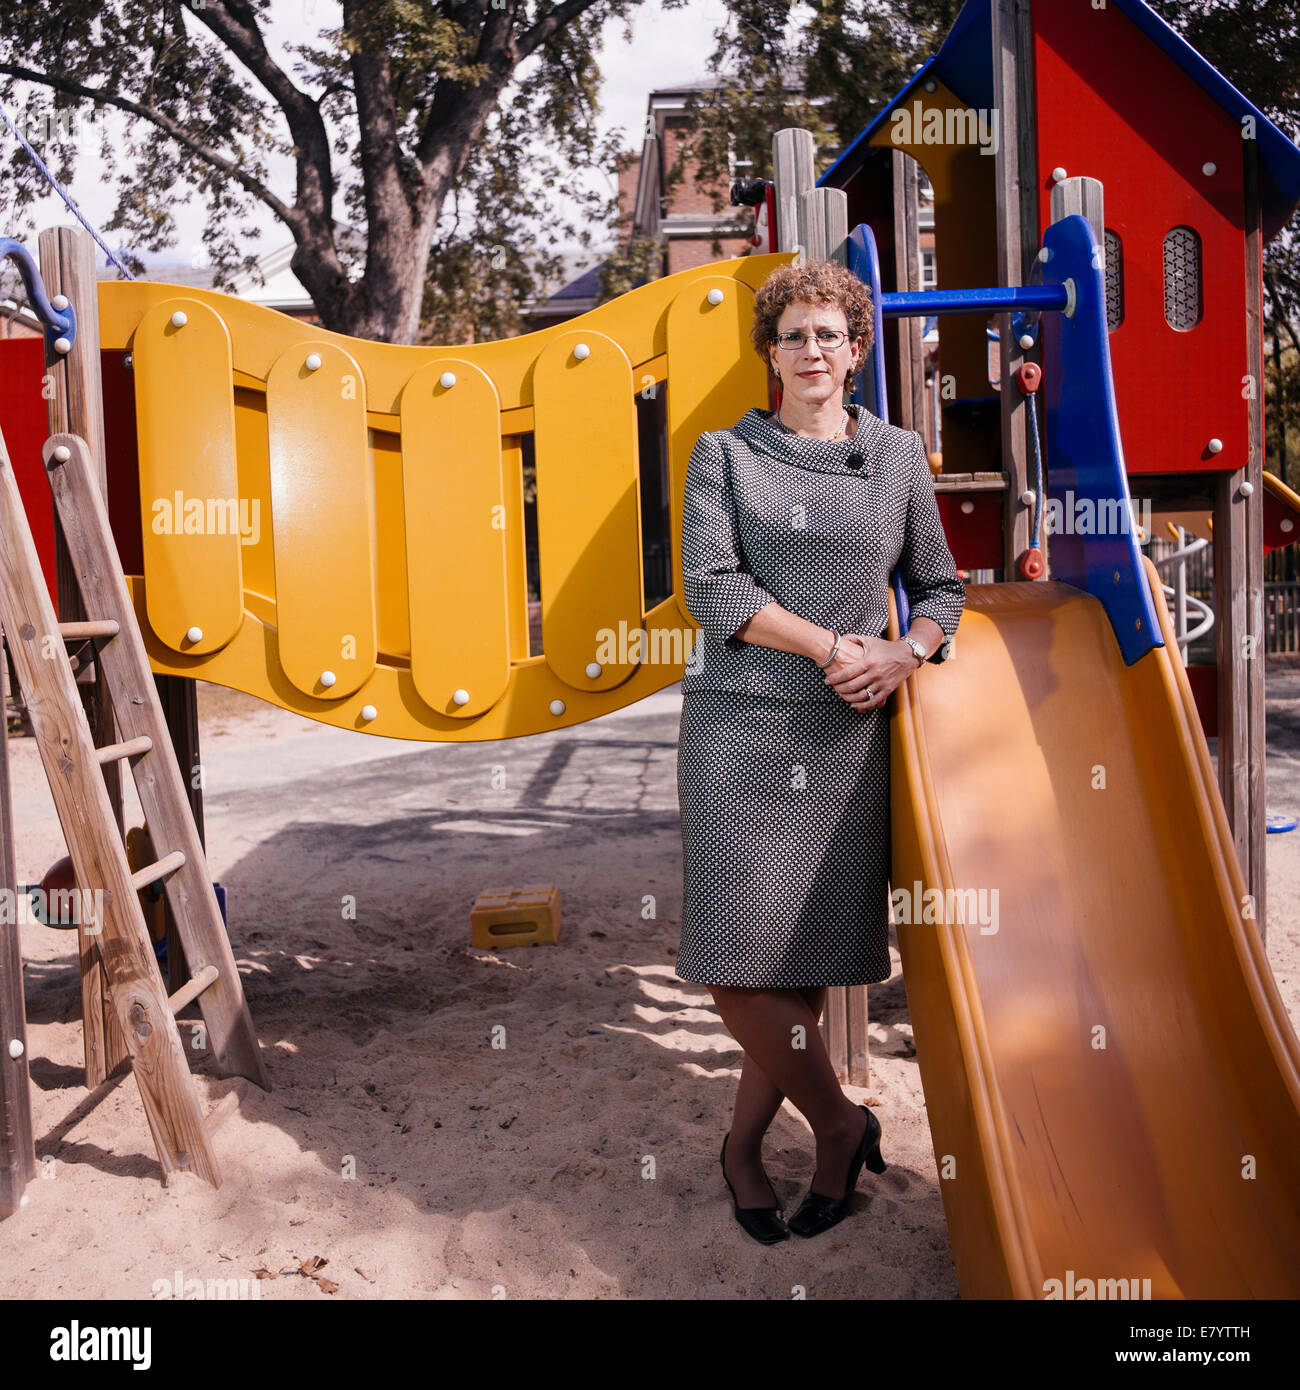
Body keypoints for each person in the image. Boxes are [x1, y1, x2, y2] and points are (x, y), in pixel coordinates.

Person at [675, 257, 964, 1241]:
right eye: (792, 334)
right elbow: (711, 589)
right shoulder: (721, 454)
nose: (811, 350)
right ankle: (839, 1123)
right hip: (741, 723)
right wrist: (836, 644)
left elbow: (941, 589)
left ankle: (740, 1149)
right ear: (770, 352)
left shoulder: (898, 456)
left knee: (794, 963)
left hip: (846, 736)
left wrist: (902, 653)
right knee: (734, 961)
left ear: (854, 350)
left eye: (828, 335)